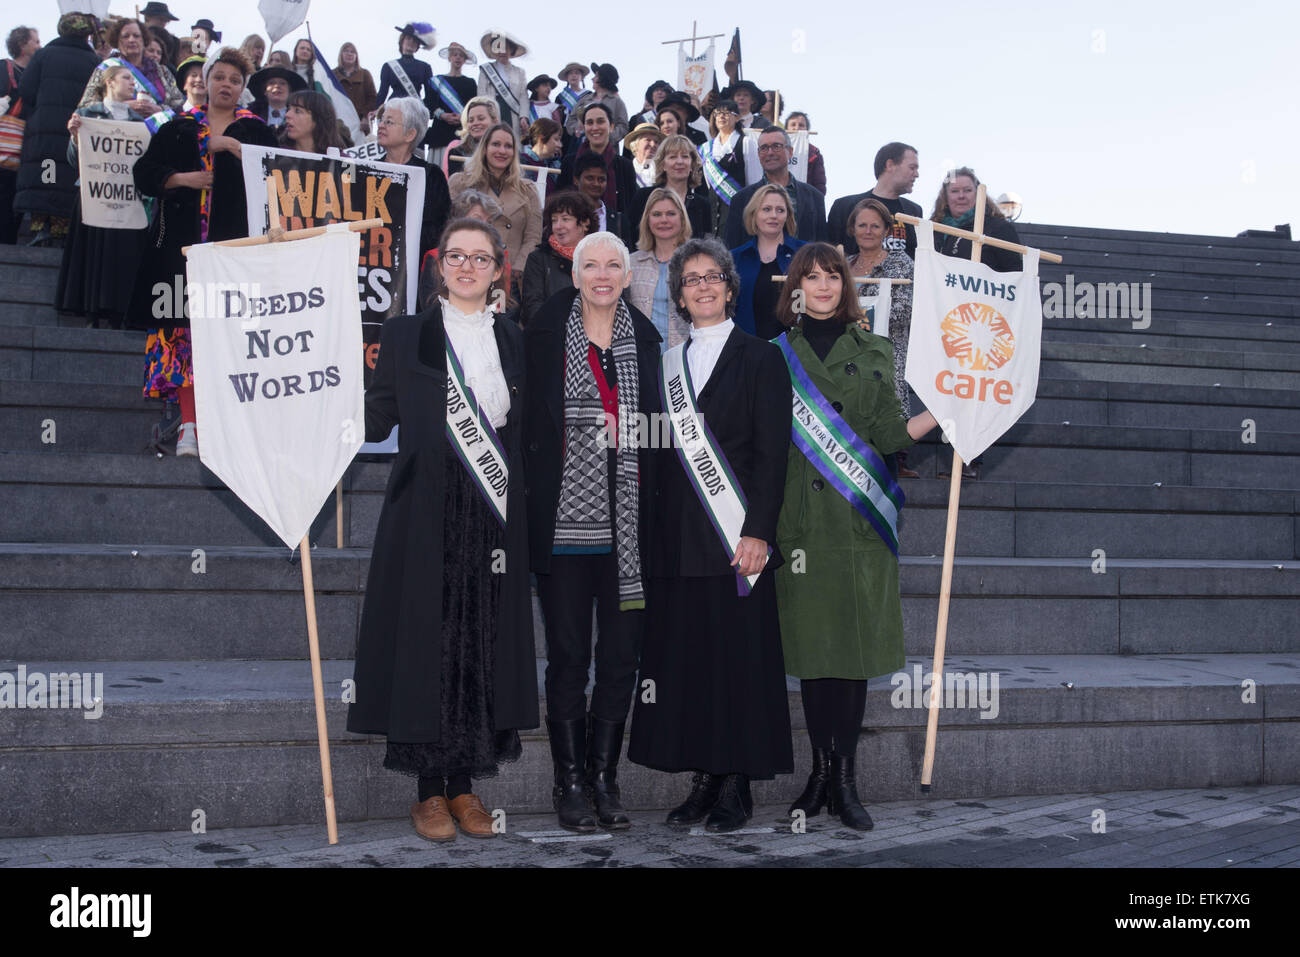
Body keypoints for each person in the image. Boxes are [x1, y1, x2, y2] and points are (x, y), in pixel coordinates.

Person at [348, 216, 538, 842]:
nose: (466, 267)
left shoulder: (514, 338)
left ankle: (465, 786)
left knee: (479, 646)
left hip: (492, 516)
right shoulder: (406, 336)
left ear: (497, 268)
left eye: (479, 258)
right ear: (439, 264)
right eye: (455, 256)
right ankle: (428, 792)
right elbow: (376, 419)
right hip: (424, 514)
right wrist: (323, 404)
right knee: (428, 645)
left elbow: (526, 434)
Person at [627, 236, 793, 832]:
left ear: (730, 285)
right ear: (678, 294)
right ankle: (702, 777)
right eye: (690, 278)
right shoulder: (665, 365)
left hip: (735, 541)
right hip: (675, 541)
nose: (702, 286)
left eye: (712, 276)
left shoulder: (762, 358)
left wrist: (759, 533)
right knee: (689, 664)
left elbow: (774, 458)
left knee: (737, 664)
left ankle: (735, 784)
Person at [772, 242, 938, 829]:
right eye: (810, 277)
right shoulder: (773, 356)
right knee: (816, 660)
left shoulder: (876, 349)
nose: (821, 286)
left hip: (859, 524)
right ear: (794, 287)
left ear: (846, 284)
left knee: (852, 657)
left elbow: (892, 433)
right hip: (803, 528)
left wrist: (944, 410)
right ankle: (819, 774)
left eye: (831, 276)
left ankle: (845, 781)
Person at [524, 230, 662, 831]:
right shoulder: (543, 334)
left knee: (620, 660)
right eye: (591, 266)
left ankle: (606, 780)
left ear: (628, 276)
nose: (603, 275)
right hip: (563, 528)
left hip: (630, 530)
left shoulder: (650, 341)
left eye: (614, 265)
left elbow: (658, 433)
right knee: (569, 658)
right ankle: (570, 782)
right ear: (574, 274)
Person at [124, 47, 277, 457]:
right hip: (179, 256)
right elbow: (145, 174)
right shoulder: (178, 127)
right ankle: (189, 426)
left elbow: (277, 175)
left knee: (227, 339)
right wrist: (185, 178)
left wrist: (232, 148)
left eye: (235, 80)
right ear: (205, 82)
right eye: (220, 77)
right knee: (183, 338)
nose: (226, 85)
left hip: (236, 255)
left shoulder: (256, 130)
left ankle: (222, 428)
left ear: (243, 89)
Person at [931, 166, 1023, 481]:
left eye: (967, 190)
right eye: (953, 190)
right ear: (945, 195)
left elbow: (1015, 275)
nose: (960, 196)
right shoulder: (935, 228)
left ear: (979, 193)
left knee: (972, 393)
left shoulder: (997, 229)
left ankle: (969, 459)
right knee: (945, 390)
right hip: (942, 322)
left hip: (980, 325)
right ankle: (953, 457)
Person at [57, 65, 147, 327]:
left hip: (127, 196)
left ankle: (119, 310)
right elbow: (73, 160)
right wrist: (75, 136)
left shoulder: (139, 122)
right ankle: (92, 311)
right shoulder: (86, 115)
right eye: (127, 78)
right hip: (94, 194)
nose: (133, 84)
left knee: (122, 256)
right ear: (109, 82)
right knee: (93, 253)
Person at [14, 13, 100, 247]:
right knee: (65, 177)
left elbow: (26, 89)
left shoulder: (43, 55)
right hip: (74, 130)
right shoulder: (94, 62)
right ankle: (61, 231)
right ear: (87, 34)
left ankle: (40, 227)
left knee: (45, 174)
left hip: (42, 130)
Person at [846, 198, 916, 475]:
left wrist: (858, 314)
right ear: (852, 228)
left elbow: (906, 308)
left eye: (875, 225)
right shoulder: (843, 264)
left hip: (888, 350)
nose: (868, 230)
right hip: (849, 351)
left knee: (888, 407)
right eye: (862, 224)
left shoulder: (901, 263)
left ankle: (896, 458)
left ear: (887, 230)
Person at [449, 123, 540, 298]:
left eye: (508, 146)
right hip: (467, 273)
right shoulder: (460, 183)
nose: (502, 151)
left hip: (510, 279)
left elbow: (533, 238)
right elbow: (450, 229)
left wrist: (516, 269)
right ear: (484, 148)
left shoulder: (528, 190)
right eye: (496, 144)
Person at [724, 127, 826, 249]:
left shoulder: (814, 197)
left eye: (776, 146)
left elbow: (822, 247)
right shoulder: (741, 199)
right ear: (758, 154)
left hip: (803, 265)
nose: (770, 152)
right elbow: (731, 248)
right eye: (764, 148)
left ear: (790, 151)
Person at [376, 96, 451, 261]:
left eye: (389, 122)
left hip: (414, 265)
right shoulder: (368, 170)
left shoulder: (431, 176)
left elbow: (438, 230)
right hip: (373, 260)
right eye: (381, 120)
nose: (381, 125)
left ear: (410, 134)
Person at [732, 183, 806, 341]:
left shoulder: (806, 253)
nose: (774, 215)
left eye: (780, 210)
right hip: (748, 351)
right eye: (766, 209)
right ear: (754, 214)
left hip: (798, 352)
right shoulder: (734, 259)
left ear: (787, 216)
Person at [416, 188, 506, 312]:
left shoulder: (497, 258)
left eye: (489, 222)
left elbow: (503, 305)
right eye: (477, 219)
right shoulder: (436, 256)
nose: (484, 227)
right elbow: (429, 303)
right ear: (458, 220)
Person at [828, 141, 921, 258]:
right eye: (912, 168)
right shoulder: (844, 207)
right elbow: (830, 256)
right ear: (890, 165)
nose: (916, 174)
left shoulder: (914, 211)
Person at [627, 188, 691, 350]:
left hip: (685, 357)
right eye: (656, 214)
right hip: (643, 358)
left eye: (671, 214)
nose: (664, 220)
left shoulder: (696, 262)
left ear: (682, 219)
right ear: (647, 220)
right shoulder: (630, 263)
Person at [77, 18, 184, 116]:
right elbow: (86, 105)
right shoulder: (106, 68)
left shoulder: (162, 71)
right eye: (125, 36)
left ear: (144, 40)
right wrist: (121, 106)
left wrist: (159, 109)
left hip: (156, 133)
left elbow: (179, 106)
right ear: (117, 41)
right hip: (119, 132)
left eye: (136, 36)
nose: (131, 40)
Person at [519, 189, 595, 324]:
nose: (558, 226)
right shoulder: (538, 258)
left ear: (585, 223)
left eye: (565, 219)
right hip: (551, 334)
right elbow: (532, 305)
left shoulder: (600, 257)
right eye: (554, 220)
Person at [624, 134, 711, 248]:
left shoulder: (702, 205)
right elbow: (631, 238)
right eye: (672, 157)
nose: (679, 161)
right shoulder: (644, 197)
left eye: (685, 156)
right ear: (663, 164)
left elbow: (706, 246)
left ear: (692, 164)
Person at [556, 102, 635, 216]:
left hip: (614, 231)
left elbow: (630, 209)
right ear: (584, 127)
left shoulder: (624, 166)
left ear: (611, 126)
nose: (595, 127)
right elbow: (560, 203)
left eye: (600, 121)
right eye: (589, 123)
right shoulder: (570, 163)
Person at [0, 26, 39, 245]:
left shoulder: (34, 73)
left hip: (22, 148)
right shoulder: (4, 68)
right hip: (9, 145)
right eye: (36, 41)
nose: (39, 45)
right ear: (23, 45)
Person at [374, 23, 438, 124]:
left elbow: (430, 95)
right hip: (393, 109)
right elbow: (383, 92)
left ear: (417, 46)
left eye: (415, 40)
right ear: (402, 41)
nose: (411, 42)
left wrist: (423, 110)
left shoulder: (425, 67)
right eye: (408, 38)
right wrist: (376, 110)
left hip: (414, 111)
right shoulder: (389, 66)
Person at [701, 98, 746, 241]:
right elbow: (710, 185)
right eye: (717, 113)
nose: (721, 116)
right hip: (714, 215)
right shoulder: (706, 148)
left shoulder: (745, 142)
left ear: (737, 117)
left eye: (726, 113)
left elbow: (754, 181)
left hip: (739, 213)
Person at [428, 42, 477, 153]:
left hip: (461, 133)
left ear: (465, 60)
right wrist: (442, 115)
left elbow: (474, 106)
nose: (458, 58)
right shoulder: (437, 81)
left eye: (461, 56)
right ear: (450, 58)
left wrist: (462, 117)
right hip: (440, 132)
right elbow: (429, 103)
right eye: (455, 55)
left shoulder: (470, 83)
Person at [477, 31, 528, 134]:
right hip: (492, 111)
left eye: (505, 48)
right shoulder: (486, 69)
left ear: (511, 50)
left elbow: (523, 96)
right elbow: (481, 94)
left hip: (514, 113)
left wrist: (524, 116)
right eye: (498, 47)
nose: (502, 51)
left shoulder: (519, 72)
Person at [569, 153, 624, 239]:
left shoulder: (618, 221)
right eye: (590, 178)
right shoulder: (563, 215)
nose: (596, 184)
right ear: (576, 180)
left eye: (601, 179)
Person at [443, 95, 499, 175]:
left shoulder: (507, 150)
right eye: (471, 120)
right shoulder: (457, 152)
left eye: (481, 118)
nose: (475, 123)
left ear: (495, 122)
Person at [280, 89, 344, 154]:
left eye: (297, 111)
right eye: (288, 109)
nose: (287, 115)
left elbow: (349, 164)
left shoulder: (345, 161)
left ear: (318, 119)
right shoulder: (275, 156)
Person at [576, 63, 629, 142]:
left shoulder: (617, 102)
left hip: (608, 152)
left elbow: (623, 127)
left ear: (603, 79)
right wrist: (578, 131)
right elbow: (571, 120)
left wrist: (605, 138)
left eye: (596, 76)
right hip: (582, 149)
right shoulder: (584, 100)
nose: (592, 79)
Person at [335, 43, 375, 136]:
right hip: (339, 123)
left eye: (353, 52)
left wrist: (366, 117)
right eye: (346, 51)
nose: (349, 54)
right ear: (341, 54)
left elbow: (372, 98)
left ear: (356, 56)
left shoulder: (365, 74)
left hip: (360, 124)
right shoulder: (332, 75)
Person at [248, 65, 306, 129]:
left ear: (290, 91)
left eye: (282, 83)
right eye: (271, 83)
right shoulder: (251, 113)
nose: (277, 86)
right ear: (265, 91)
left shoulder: (299, 115)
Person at [784, 111, 826, 196]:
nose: (797, 128)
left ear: (807, 130)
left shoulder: (814, 153)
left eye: (801, 125)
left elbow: (819, 184)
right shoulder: (775, 149)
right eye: (793, 125)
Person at [520, 117, 563, 181]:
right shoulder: (522, 162)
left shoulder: (555, 164)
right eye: (556, 139)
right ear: (542, 138)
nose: (560, 145)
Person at [555, 61, 591, 137]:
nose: (573, 76)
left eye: (577, 73)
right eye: (570, 73)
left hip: (585, 131)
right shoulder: (560, 97)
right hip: (565, 133)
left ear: (582, 77)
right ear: (566, 77)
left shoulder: (589, 95)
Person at [623, 123, 663, 189]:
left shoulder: (663, 172)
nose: (653, 145)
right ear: (635, 144)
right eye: (648, 140)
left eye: (656, 142)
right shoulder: (625, 171)